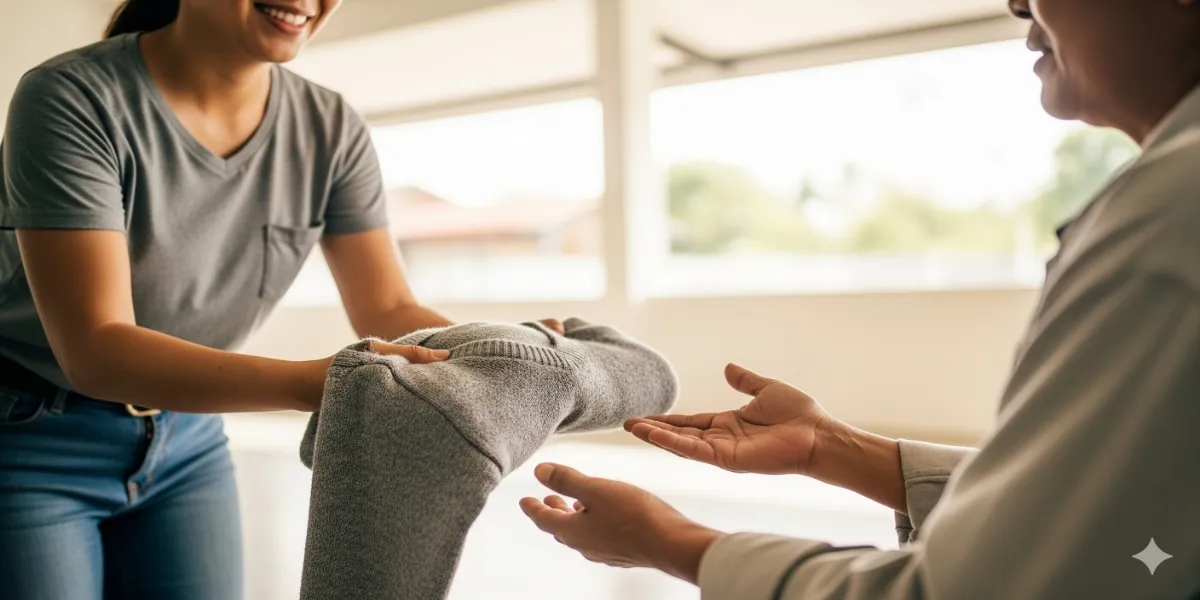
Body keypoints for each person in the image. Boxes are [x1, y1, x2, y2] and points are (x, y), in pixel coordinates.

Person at [521, 0, 1200, 598]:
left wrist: (670, 542)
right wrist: (832, 448)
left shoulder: (1171, 215)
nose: (1018, 3)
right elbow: (1137, 522)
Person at [0, 1, 559, 599]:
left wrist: (495, 350)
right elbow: (95, 347)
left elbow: (389, 308)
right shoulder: (71, 97)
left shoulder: (329, 126)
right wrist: (331, 384)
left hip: (188, 441)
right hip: (33, 441)